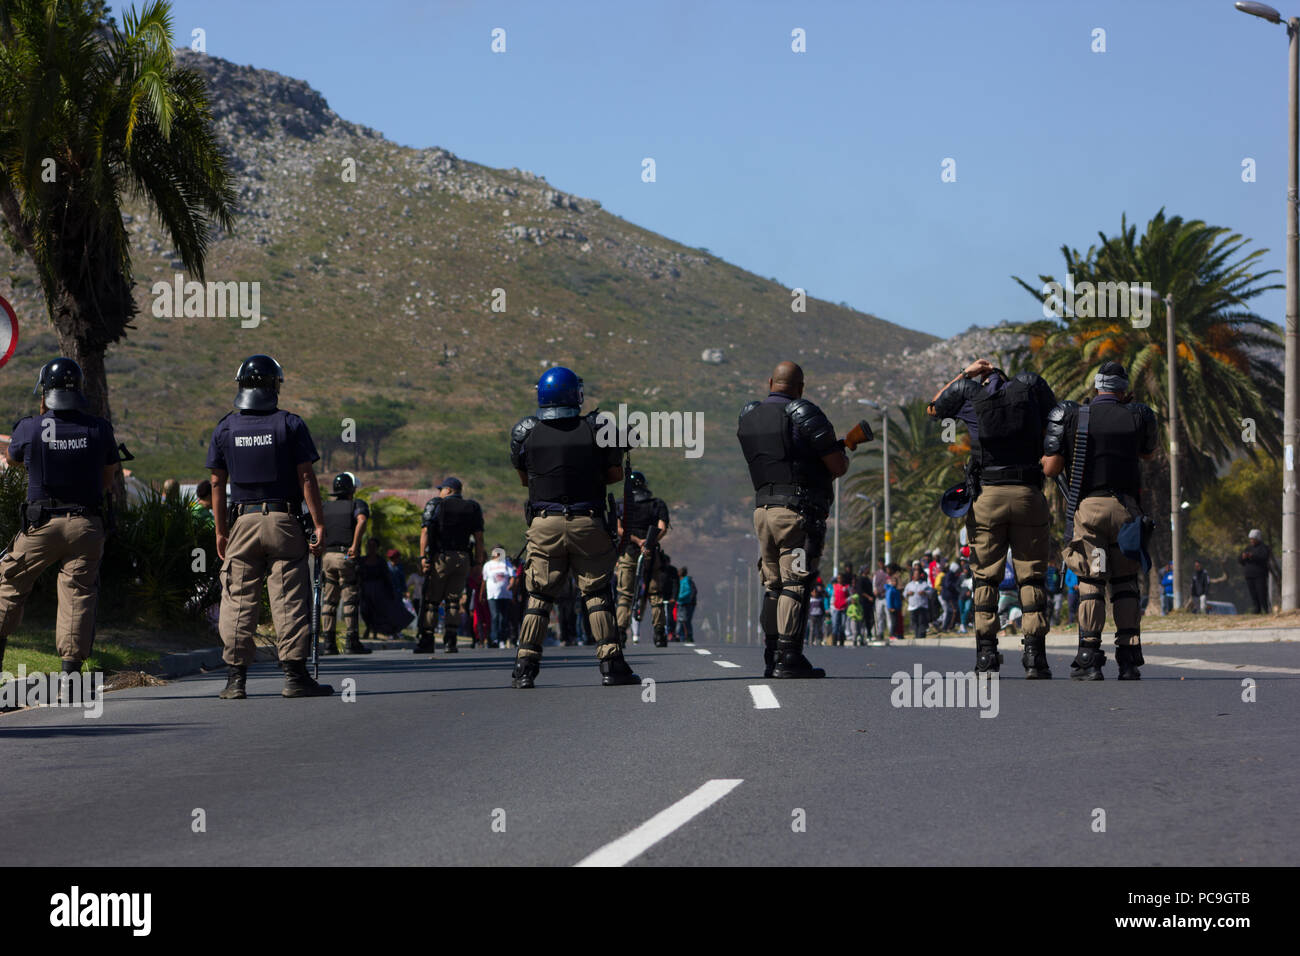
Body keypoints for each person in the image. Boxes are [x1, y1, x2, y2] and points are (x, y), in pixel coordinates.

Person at [206, 354, 332, 698]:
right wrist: (318, 523)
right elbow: (306, 476)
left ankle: (235, 681)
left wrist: (220, 531)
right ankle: (294, 677)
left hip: (243, 521)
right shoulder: (290, 424)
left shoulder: (225, 427)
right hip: (284, 521)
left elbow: (217, 484)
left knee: (237, 599)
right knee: (289, 597)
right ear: (274, 386)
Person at [508, 366, 639, 688]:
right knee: (596, 593)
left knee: (538, 596)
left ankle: (525, 669)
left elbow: (526, 480)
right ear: (574, 395)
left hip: (544, 523)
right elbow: (615, 476)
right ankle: (611, 666)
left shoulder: (525, 431)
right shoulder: (597, 427)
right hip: (587, 522)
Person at [930, 356, 1058, 678]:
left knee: (986, 577)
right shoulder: (1028, 396)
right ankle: (1035, 657)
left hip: (987, 496)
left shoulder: (972, 397)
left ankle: (986, 655)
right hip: (1028, 493)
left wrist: (965, 373)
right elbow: (1056, 418)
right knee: (1031, 576)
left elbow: (934, 408)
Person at [0, 358, 121, 678]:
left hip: (41, 525)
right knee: (78, 593)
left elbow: (12, 460)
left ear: (45, 394)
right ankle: (70, 676)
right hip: (86, 525)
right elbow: (108, 480)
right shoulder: (99, 428)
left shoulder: (29, 427)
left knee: (9, 585)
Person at [738, 360, 859, 678]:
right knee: (795, 582)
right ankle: (789, 656)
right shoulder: (803, 412)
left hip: (762, 511)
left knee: (772, 584)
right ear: (800, 387)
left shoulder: (749, 416)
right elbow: (836, 466)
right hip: (796, 512)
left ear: (770, 382)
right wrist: (839, 452)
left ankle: (771, 653)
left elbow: (779, 457)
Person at [1042, 360, 1158, 680]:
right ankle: (1129, 660)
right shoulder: (1139, 415)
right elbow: (1148, 453)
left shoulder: (1074, 416)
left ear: (1096, 388)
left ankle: (1089, 659)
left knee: (1092, 582)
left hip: (1089, 509)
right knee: (1124, 585)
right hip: (1126, 511)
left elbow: (1050, 469)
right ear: (1124, 391)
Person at [415, 477, 486, 654]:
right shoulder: (472, 507)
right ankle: (451, 641)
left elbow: (425, 531)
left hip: (442, 557)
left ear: (448, 490)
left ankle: (428, 639)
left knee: (432, 601)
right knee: (453, 602)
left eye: (441, 490)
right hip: (463, 558)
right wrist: (478, 562)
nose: (439, 493)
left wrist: (423, 557)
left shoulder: (437, 504)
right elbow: (479, 538)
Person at [315, 471, 370, 656]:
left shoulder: (325, 506)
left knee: (329, 601)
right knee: (350, 598)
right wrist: (355, 545)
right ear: (351, 489)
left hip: (327, 557)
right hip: (345, 555)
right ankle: (351, 641)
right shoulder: (357, 504)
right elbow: (361, 520)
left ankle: (329, 643)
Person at [615, 471, 671, 647]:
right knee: (655, 594)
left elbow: (619, 529)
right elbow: (662, 528)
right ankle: (660, 633)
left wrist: (636, 541)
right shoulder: (657, 504)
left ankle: (621, 633)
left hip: (628, 553)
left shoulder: (621, 505)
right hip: (650, 554)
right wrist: (648, 543)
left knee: (625, 594)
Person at [482, 547, 514, 648]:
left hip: (505, 595)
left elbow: (513, 576)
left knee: (503, 618)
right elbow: (484, 580)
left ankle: (502, 639)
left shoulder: (506, 564)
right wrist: (481, 594)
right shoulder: (488, 565)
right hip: (492, 595)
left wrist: (511, 585)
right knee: (495, 616)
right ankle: (494, 638)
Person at [1239, 530, 1272, 615]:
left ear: (1258, 538)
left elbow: (1264, 558)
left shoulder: (1263, 547)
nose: (1251, 541)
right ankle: (1257, 610)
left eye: (1253, 539)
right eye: (1250, 539)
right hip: (1249, 575)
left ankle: (1265, 609)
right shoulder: (1248, 548)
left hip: (1260, 575)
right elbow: (1240, 560)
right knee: (1253, 594)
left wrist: (1252, 556)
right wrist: (1243, 557)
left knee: (1261, 593)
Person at [904, 566, 932, 639]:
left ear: (920, 575)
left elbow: (930, 592)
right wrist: (908, 594)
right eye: (915, 574)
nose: (916, 576)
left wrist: (924, 592)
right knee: (915, 622)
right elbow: (904, 593)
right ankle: (917, 636)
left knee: (922, 622)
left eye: (917, 574)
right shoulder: (909, 584)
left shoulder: (924, 584)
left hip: (922, 606)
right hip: (913, 607)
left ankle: (921, 636)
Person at [677, 565, 697, 644]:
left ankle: (688, 635)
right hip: (681, 602)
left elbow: (689, 591)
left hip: (686, 603)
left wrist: (680, 597)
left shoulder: (686, 581)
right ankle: (680, 635)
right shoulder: (680, 580)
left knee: (685, 620)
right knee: (681, 619)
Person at [831, 573, 850, 645]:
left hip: (843, 608)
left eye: (840, 578)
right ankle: (834, 641)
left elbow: (850, 595)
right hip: (836, 608)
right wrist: (832, 605)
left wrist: (846, 601)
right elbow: (833, 596)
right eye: (838, 578)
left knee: (842, 624)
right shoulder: (835, 586)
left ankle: (842, 640)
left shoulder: (846, 587)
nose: (839, 579)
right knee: (835, 624)